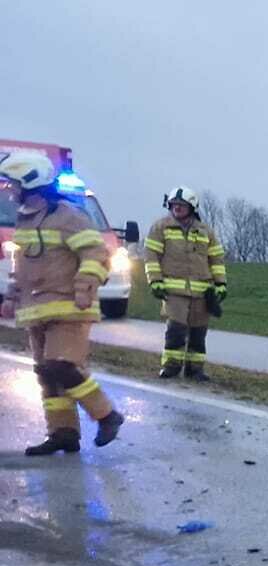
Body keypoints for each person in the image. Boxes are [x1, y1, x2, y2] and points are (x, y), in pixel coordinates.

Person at [3, 152, 124, 455]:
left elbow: (96, 254)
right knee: (46, 373)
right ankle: (63, 433)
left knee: (61, 366)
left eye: (13, 184)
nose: (10, 190)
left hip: (70, 308)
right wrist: (11, 297)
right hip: (37, 310)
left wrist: (85, 288)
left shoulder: (69, 216)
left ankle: (107, 415)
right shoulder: (25, 219)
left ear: (30, 183)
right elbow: (23, 266)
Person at [142, 187, 227, 381]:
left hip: (201, 292)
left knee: (198, 332)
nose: (177, 208)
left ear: (192, 207)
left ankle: (194, 369)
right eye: (174, 205)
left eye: (182, 205)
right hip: (173, 291)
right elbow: (151, 256)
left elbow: (216, 259)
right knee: (176, 329)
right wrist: (155, 281)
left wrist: (221, 283)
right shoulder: (160, 227)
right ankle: (171, 367)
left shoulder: (205, 231)